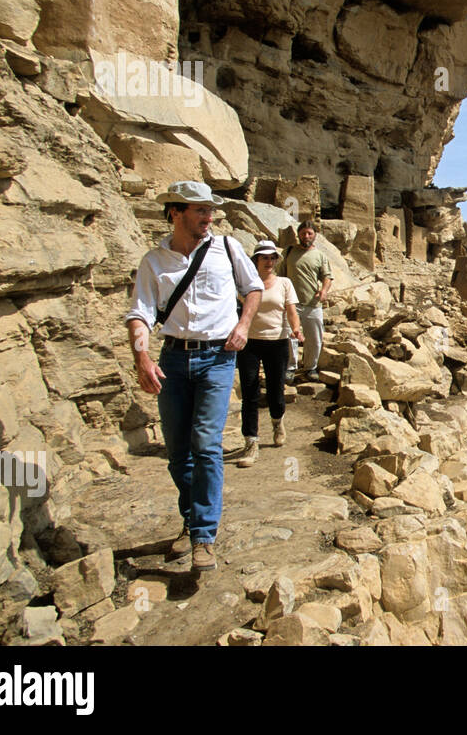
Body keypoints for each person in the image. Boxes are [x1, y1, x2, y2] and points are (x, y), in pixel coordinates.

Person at [125, 181, 262, 572]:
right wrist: (141, 359)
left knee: (205, 444)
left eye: (210, 210)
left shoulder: (226, 248)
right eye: (200, 210)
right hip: (172, 360)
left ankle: (203, 534)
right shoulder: (154, 260)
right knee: (177, 452)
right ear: (176, 213)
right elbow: (140, 312)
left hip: (218, 357)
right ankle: (191, 518)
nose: (209, 217)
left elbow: (252, 289)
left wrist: (243, 325)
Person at [233, 240, 302, 466]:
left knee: (275, 389)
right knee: (250, 392)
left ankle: (277, 421)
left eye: (272, 258)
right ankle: (251, 442)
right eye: (264, 258)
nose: (269, 261)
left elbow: (291, 310)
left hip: (277, 340)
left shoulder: (284, 283)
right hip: (249, 342)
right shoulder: (245, 284)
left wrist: (296, 329)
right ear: (256, 260)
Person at [282, 220, 332, 383]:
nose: (306, 236)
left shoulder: (320, 256)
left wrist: (324, 291)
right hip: (291, 303)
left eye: (310, 233)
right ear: (298, 234)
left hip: (312, 302)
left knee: (314, 338)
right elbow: (280, 276)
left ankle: (310, 367)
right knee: (290, 336)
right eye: (303, 233)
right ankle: (291, 367)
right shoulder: (289, 252)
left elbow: (327, 277)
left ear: (315, 235)